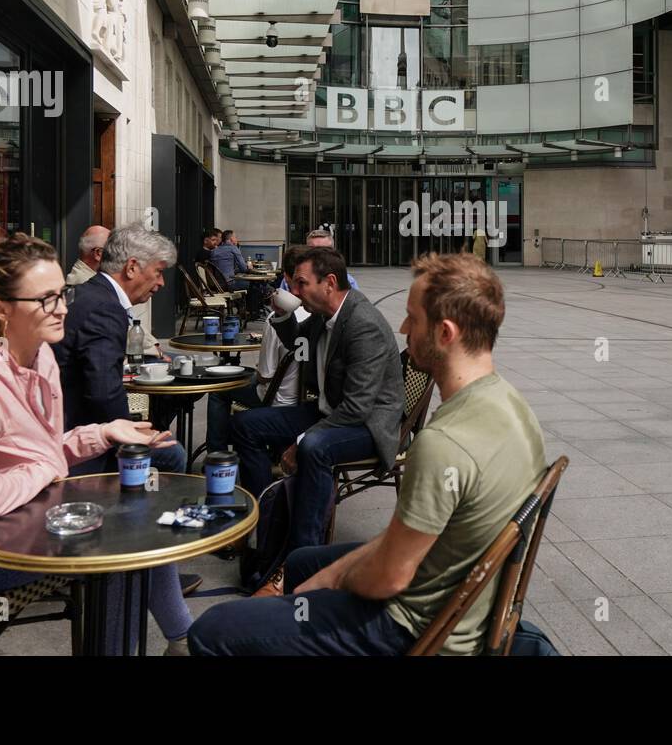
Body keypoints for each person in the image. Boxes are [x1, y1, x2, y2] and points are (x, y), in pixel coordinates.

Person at [188, 253, 547, 656]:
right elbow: (404, 544)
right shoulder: (515, 407)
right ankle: (278, 563)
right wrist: (329, 573)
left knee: (213, 628)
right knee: (307, 559)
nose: (403, 328)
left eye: (413, 318)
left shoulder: (445, 443)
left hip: (414, 628)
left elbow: (389, 578)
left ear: (445, 333)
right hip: (453, 590)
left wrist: (329, 584)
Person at [0, 235, 190, 654]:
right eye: (46, 299)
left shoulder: (38, 357)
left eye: (63, 294)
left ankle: (182, 638)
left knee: (138, 516)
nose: (62, 309)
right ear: (1, 309)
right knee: (119, 542)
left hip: (14, 522)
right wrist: (45, 469)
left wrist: (105, 431)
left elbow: (39, 450)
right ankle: (180, 639)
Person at [229, 246, 403, 593]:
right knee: (246, 425)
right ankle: (266, 524)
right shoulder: (324, 315)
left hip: (368, 425)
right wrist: (280, 315)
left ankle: (300, 561)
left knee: (316, 449)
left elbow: (357, 408)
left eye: (302, 284)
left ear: (330, 283)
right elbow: (299, 346)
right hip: (330, 411)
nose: (295, 291)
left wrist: (301, 440)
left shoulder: (361, 323)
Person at [53, 225, 187, 476]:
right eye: (158, 272)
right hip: (73, 434)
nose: (161, 282)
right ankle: (137, 512)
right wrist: (131, 432)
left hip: (71, 424)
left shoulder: (92, 294)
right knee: (172, 453)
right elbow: (103, 393)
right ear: (132, 267)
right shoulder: (104, 308)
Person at [205, 246, 313, 455]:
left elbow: (265, 376)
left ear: (287, 277)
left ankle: (216, 454)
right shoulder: (319, 315)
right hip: (307, 398)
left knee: (219, 390)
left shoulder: (277, 319)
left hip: (279, 399)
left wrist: (252, 373)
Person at [68, 225, 165, 359]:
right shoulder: (86, 284)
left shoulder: (102, 281)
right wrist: (154, 351)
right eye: (114, 250)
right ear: (99, 254)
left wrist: (154, 345)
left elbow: (130, 321)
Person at [278, 228, 358, 291]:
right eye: (313, 250)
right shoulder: (290, 279)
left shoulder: (347, 281)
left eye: (323, 250)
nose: (318, 255)